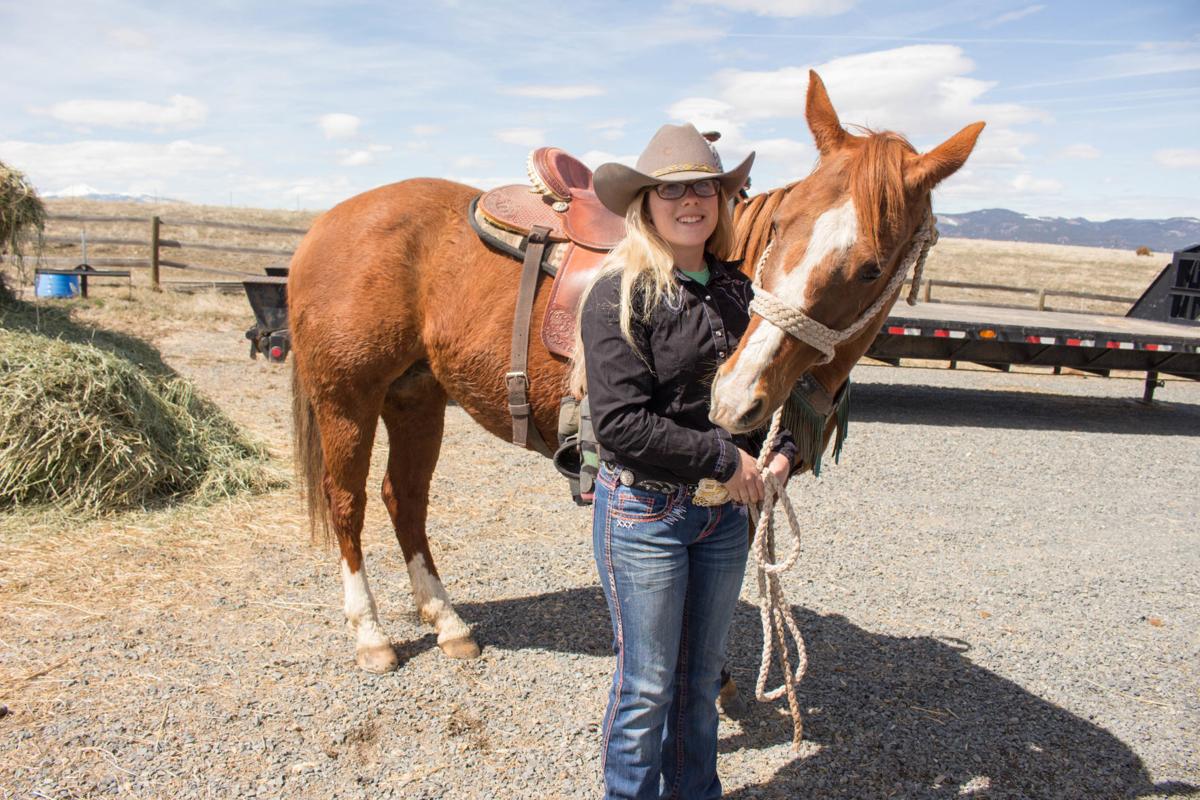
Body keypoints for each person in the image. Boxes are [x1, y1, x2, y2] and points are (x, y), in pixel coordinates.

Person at [567, 123, 798, 800]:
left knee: (699, 682)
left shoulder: (740, 291)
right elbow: (618, 426)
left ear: (722, 199)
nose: (690, 200)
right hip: (646, 514)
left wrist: (780, 452)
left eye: (705, 187)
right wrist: (725, 459)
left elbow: (770, 390)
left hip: (722, 519)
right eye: (673, 190)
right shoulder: (620, 294)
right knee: (645, 686)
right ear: (645, 204)